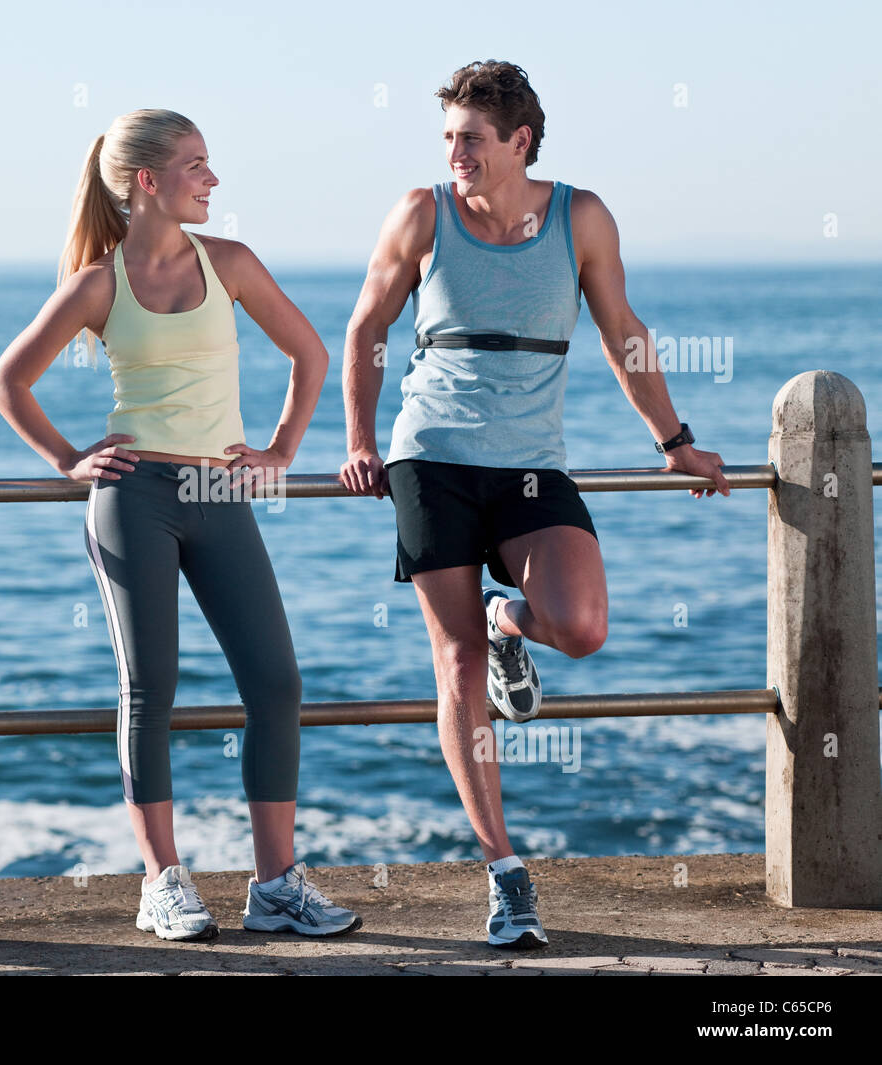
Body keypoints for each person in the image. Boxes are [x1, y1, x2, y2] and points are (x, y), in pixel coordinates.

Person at [340, 61, 729, 948]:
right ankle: (506, 875)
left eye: (470, 137)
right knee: (457, 668)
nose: (455, 153)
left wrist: (674, 442)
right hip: (430, 458)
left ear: (520, 140)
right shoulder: (422, 213)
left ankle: (508, 620)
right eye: (447, 138)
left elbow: (623, 333)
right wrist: (361, 441)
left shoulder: (580, 216)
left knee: (583, 624)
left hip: (531, 466)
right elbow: (367, 328)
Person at [0, 108, 360, 942]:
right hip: (135, 498)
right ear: (147, 181)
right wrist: (65, 459)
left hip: (220, 494)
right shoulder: (98, 284)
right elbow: (8, 381)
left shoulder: (228, 263)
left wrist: (280, 448)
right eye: (196, 164)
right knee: (150, 689)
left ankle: (276, 885)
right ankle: (162, 879)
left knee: (276, 683)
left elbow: (311, 354)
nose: (213, 179)